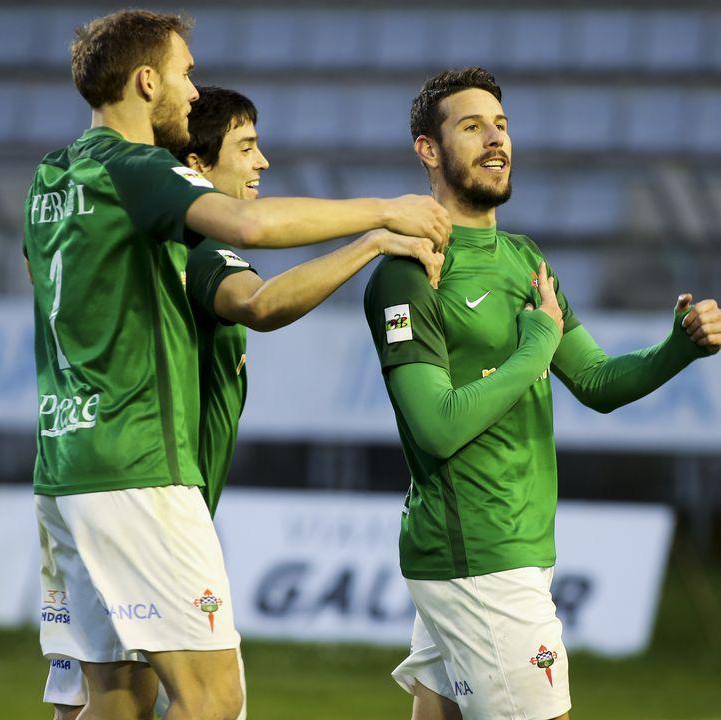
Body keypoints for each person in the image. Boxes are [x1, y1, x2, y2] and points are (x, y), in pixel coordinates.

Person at [26, 10, 449, 720]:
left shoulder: (51, 177)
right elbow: (252, 239)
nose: (192, 94)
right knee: (213, 702)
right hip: (138, 466)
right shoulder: (136, 170)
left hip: (66, 464)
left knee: (115, 706)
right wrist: (386, 214)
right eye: (186, 73)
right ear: (146, 79)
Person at [361, 67, 721, 720]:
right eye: (471, 127)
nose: (495, 140)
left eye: (501, 126)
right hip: (477, 554)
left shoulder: (523, 258)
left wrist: (679, 347)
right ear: (428, 149)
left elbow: (595, 381)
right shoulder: (406, 274)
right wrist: (535, 348)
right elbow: (436, 428)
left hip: (509, 546)